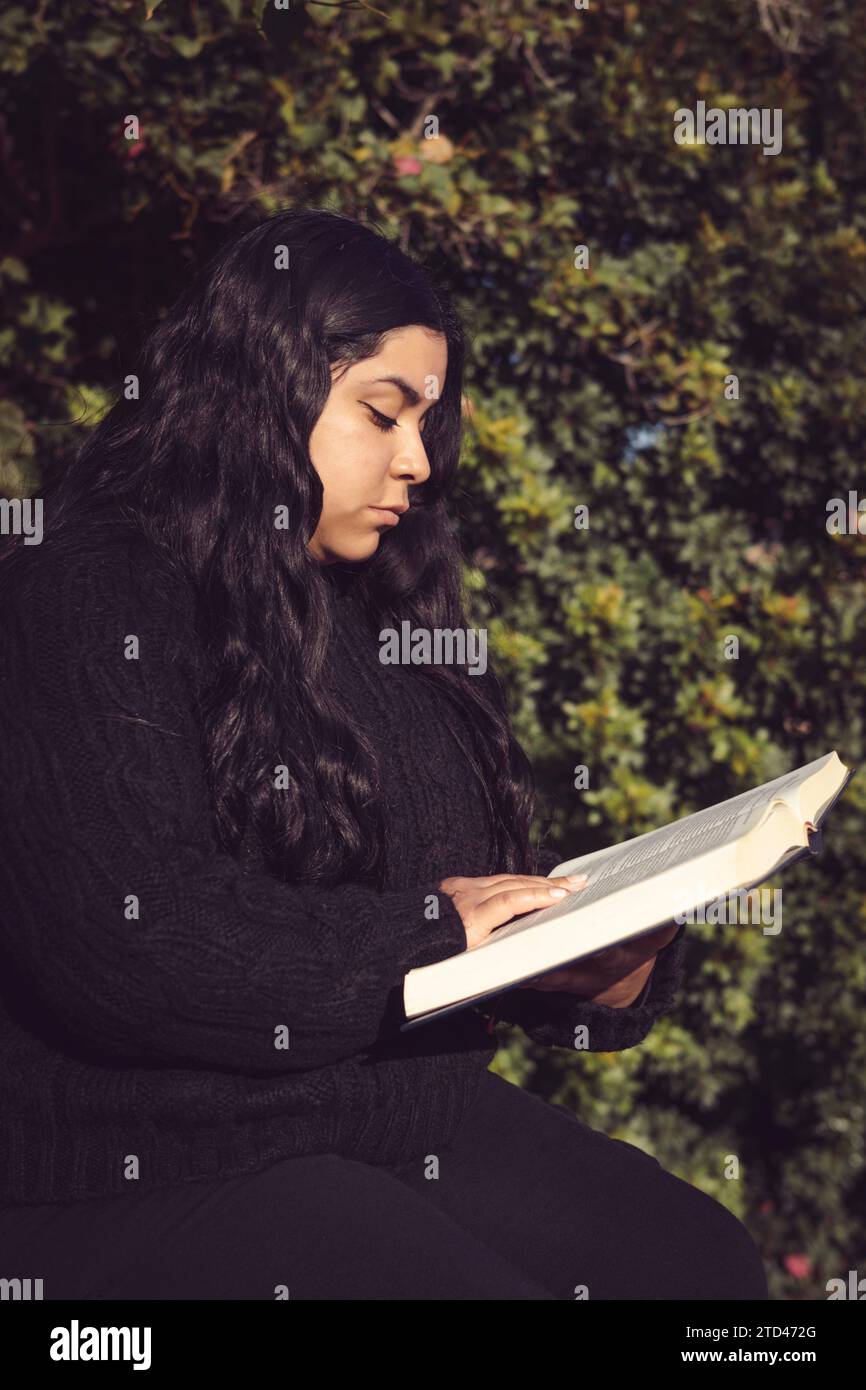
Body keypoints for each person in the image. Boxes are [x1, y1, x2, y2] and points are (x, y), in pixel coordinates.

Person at [0, 207, 767, 1300]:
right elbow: (129, 938)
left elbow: (454, 902)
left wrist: (587, 967)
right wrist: (427, 932)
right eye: (382, 411)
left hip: (390, 1116)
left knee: (698, 1268)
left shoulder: (374, 612)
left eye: (427, 420)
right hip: (154, 1147)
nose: (415, 460)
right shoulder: (86, 590)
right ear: (259, 385)